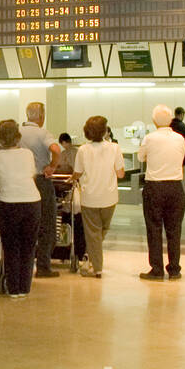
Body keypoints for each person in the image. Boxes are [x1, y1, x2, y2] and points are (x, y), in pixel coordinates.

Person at [0, 120, 42, 299]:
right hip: (32, 201)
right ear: (18, 136)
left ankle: (13, 289)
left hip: (8, 202)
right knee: (28, 246)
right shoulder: (27, 154)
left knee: (11, 246)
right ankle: (24, 288)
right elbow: (32, 174)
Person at [71, 116, 124, 278]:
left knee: (93, 232)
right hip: (109, 197)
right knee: (103, 229)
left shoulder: (83, 150)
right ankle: (94, 261)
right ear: (105, 130)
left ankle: (96, 265)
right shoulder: (115, 148)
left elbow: (77, 173)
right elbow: (121, 173)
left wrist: (72, 177)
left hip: (90, 197)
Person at [139, 104, 185, 281]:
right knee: (174, 230)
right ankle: (174, 269)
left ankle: (157, 269)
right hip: (176, 187)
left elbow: (140, 157)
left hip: (155, 187)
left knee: (154, 228)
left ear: (153, 121)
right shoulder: (180, 138)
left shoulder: (149, 138)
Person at [20, 102, 62, 278]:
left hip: (22, 182)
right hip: (40, 181)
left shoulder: (18, 132)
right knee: (46, 223)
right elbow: (56, 149)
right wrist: (52, 166)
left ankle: (24, 266)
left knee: (25, 225)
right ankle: (44, 266)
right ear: (42, 116)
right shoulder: (42, 133)